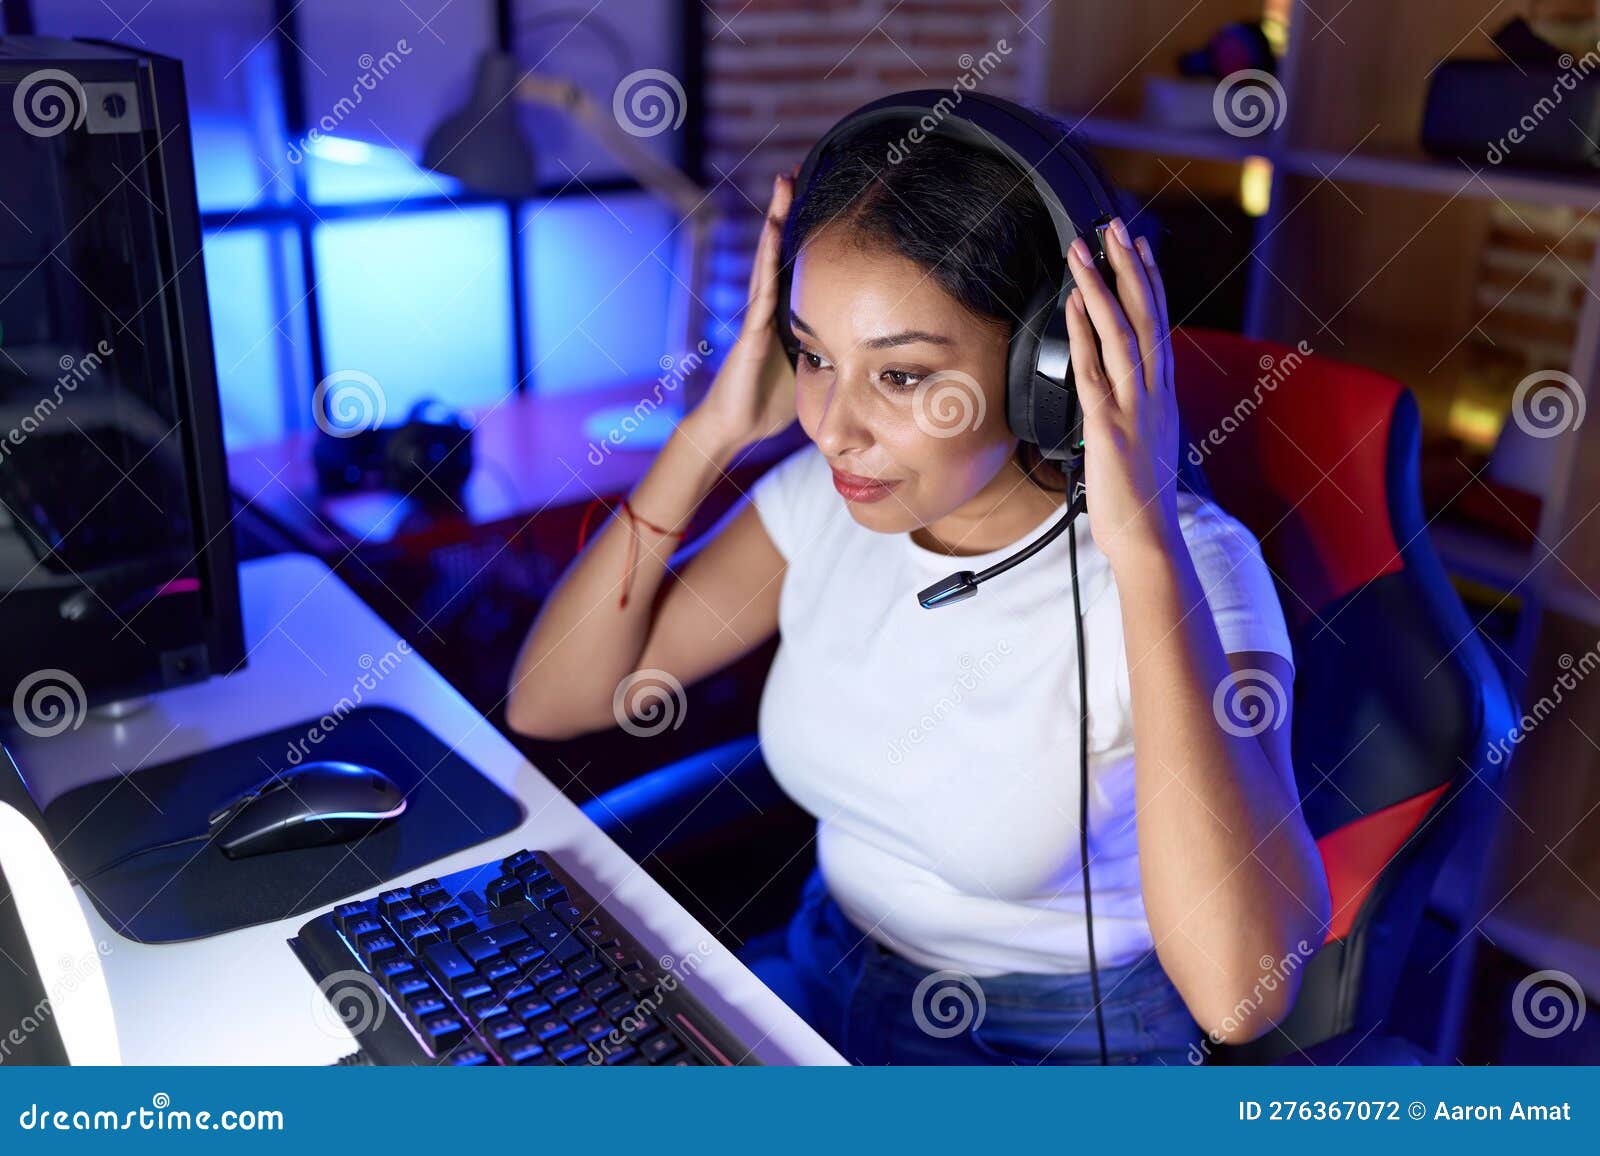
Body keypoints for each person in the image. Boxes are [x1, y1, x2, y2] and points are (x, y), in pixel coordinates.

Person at [506, 114, 1331, 1065]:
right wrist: (711, 431)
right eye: (814, 355)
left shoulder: (1191, 568)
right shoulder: (825, 499)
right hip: (821, 970)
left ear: (1045, 374)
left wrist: (1143, 546)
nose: (832, 427)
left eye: (899, 376)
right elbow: (550, 700)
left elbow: (1240, 996)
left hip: (1048, 1047)